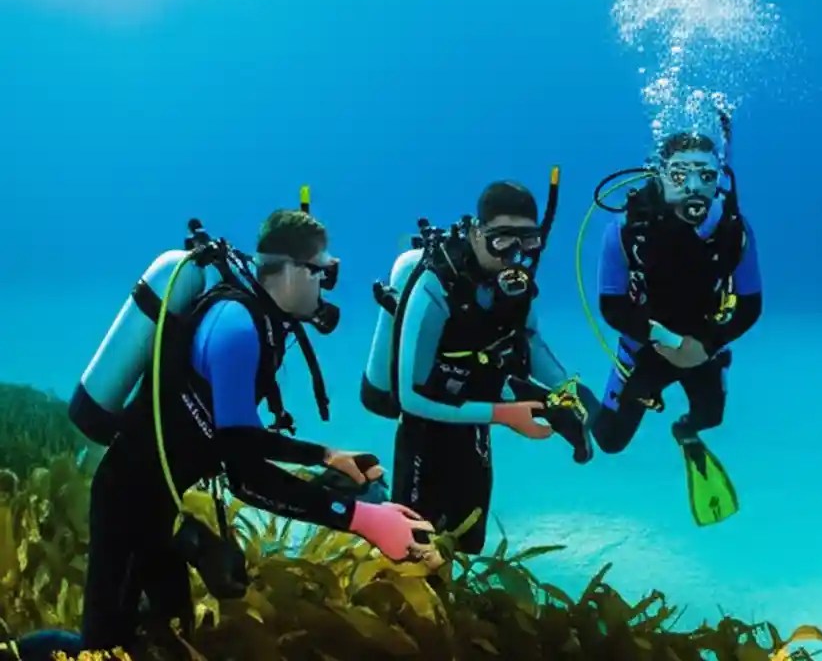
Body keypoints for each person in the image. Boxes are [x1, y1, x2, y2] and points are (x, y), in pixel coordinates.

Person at [74, 209, 435, 653]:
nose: (325, 286)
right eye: (323, 273)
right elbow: (247, 474)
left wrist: (325, 456)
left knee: (168, 637)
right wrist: (363, 519)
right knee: (102, 650)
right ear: (291, 272)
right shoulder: (238, 330)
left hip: (156, 506)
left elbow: (239, 436)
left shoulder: (262, 322)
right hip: (127, 505)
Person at [360, 177, 596, 556]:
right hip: (421, 402)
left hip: (472, 397)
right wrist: (505, 415)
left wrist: (571, 392)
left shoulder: (514, 283)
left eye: (527, 240)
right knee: (415, 536)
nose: (514, 254)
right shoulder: (434, 285)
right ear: (475, 233)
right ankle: (368, 496)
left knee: (468, 535)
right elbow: (410, 399)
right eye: (502, 239)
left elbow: (529, 343)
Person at [589, 127, 763, 526]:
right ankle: (574, 397)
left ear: (719, 177)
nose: (695, 188)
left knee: (710, 417)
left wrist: (704, 344)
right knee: (611, 441)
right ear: (660, 174)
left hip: (703, 346)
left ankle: (684, 431)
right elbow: (612, 306)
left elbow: (751, 306)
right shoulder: (625, 230)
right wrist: (662, 339)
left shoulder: (734, 231)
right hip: (643, 347)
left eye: (706, 175)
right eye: (680, 175)